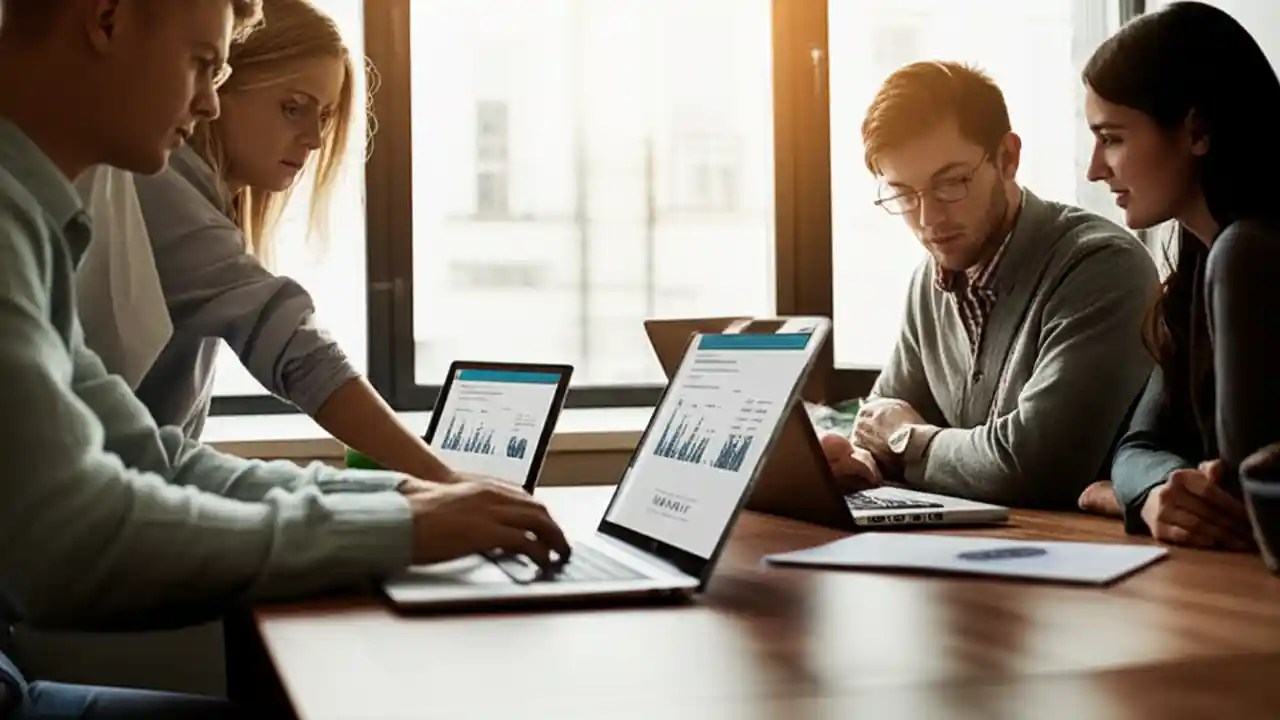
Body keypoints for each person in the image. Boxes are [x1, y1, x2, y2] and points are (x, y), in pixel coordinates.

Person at [0, 1, 568, 716]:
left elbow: (155, 458)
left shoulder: (33, 222)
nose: (206, 101)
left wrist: (400, 499)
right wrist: (407, 524)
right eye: (202, 64)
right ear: (106, 19)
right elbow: (70, 547)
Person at [74, 0, 465, 485]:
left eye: (322, 116)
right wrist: (447, 482)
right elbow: (292, 344)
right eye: (292, 108)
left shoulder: (200, 198)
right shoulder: (156, 186)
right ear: (221, 85)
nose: (315, 139)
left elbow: (161, 454)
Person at [819, 61, 1157, 508]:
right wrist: (862, 459)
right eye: (903, 193)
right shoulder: (930, 279)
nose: (928, 219)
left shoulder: (1102, 266)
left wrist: (904, 441)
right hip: (979, 551)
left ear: (1007, 158)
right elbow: (881, 416)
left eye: (951, 183)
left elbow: (1032, 467)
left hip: (1088, 556)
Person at [1089, 1, 1280, 560]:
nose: (1096, 168)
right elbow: (1139, 446)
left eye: (1113, 138)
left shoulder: (1247, 255)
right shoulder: (1199, 269)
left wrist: (1120, 494)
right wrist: (1152, 494)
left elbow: (1239, 502)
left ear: (1196, 130)